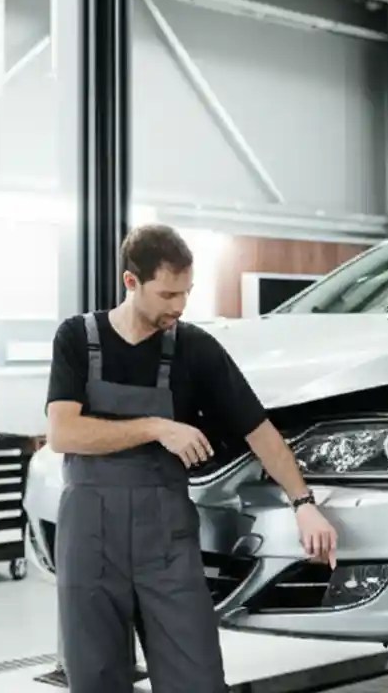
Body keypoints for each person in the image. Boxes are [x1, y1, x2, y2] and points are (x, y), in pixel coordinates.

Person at [44, 223, 339, 693]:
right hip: (90, 536)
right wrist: (160, 427)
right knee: (96, 677)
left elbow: (258, 430)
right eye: (167, 294)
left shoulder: (194, 348)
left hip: (165, 539)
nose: (179, 307)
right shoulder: (78, 339)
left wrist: (303, 503)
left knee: (197, 678)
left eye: (187, 293)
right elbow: (63, 433)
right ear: (131, 282)